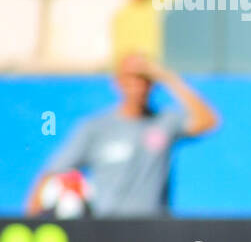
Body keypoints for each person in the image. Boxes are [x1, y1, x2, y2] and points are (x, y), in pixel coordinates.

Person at [25, 53, 220, 218]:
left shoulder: (164, 122)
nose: (137, 86)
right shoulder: (96, 128)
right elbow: (51, 173)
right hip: (107, 227)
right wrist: (30, 222)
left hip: (153, 227)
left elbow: (207, 121)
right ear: (118, 82)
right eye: (131, 79)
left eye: (144, 79)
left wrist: (168, 78)